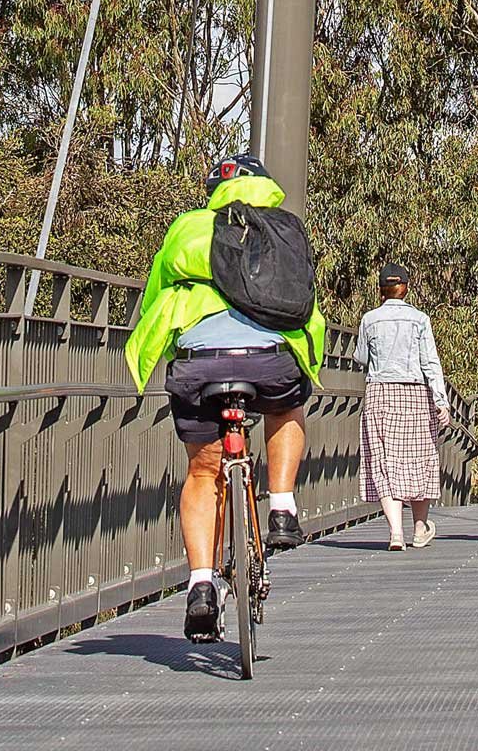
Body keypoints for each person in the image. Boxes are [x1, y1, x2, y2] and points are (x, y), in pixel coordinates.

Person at [124, 153, 327, 643]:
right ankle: (282, 504)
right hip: (270, 360)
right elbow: (305, 307)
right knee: (286, 405)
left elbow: (155, 297)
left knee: (202, 471)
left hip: (203, 363)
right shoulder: (285, 231)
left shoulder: (191, 228)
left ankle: (199, 585)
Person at [357, 263, 450, 550]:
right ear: (406, 287)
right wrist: (441, 400)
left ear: (380, 289)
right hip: (414, 393)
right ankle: (420, 528)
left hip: (380, 393)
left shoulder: (369, 319)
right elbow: (430, 362)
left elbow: (361, 358)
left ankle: (396, 532)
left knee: (382, 460)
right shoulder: (419, 319)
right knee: (419, 458)